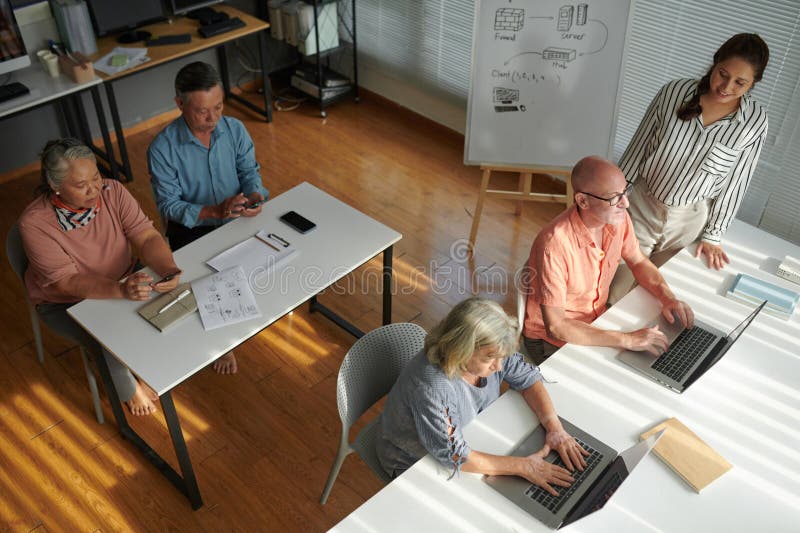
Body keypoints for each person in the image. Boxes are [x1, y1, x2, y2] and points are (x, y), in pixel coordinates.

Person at [19, 138, 182, 416]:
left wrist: (168, 268)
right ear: (55, 185)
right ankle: (128, 389)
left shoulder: (112, 191)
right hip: (66, 300)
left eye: (96, 177)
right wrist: (120, 290)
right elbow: (68, 282)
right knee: (106, 339)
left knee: (166, 309)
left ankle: (140, 364)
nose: (94, 189)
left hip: (125, 277)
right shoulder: (34, 224)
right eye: (81, 185)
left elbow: (145, 236)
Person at [611, 33, 769, 301]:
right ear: (715, 63)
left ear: (754, 83)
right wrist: (615, 199)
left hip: (688, 223)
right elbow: (638, 149)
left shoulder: (754, 122)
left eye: (740, 82)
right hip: (642, 207)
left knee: (648, 301)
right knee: (614, 293)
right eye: (722, 74)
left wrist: (713, 235)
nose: (726, 87)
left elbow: (736, 183)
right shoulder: (674, 92)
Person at [376, 297, 590, 495]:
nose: (499, 366)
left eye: (502, 357)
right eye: (490, 359)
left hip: (468, 433)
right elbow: (455, 455)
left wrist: (555, 429)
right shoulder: (433, 387)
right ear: (461, 349)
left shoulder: (493, 348)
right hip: (414, 460)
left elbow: (528, 379)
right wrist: (523, 466)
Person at [148, 61, 269, 374]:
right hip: (192, 228)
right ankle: (222, 342)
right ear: (180, 104)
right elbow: (169, 205)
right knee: (207, 289)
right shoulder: (162, 148)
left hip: (237, 216)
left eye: (218, 107)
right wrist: (215, 210)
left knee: (267, 264)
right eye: (202, 111)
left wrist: (255, 197)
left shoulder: (235, 129)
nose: (213, 118)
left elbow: (249, 172)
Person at [522, 156, 694, 364]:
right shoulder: (554, 246)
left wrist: (668, 298)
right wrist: (627, 339)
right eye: (614, 198)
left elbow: (638, 261)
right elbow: (557, 327)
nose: (626, 203)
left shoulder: (617, 219)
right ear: (583, 201)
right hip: (552, 342)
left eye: (625, 191)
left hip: (596, 321)